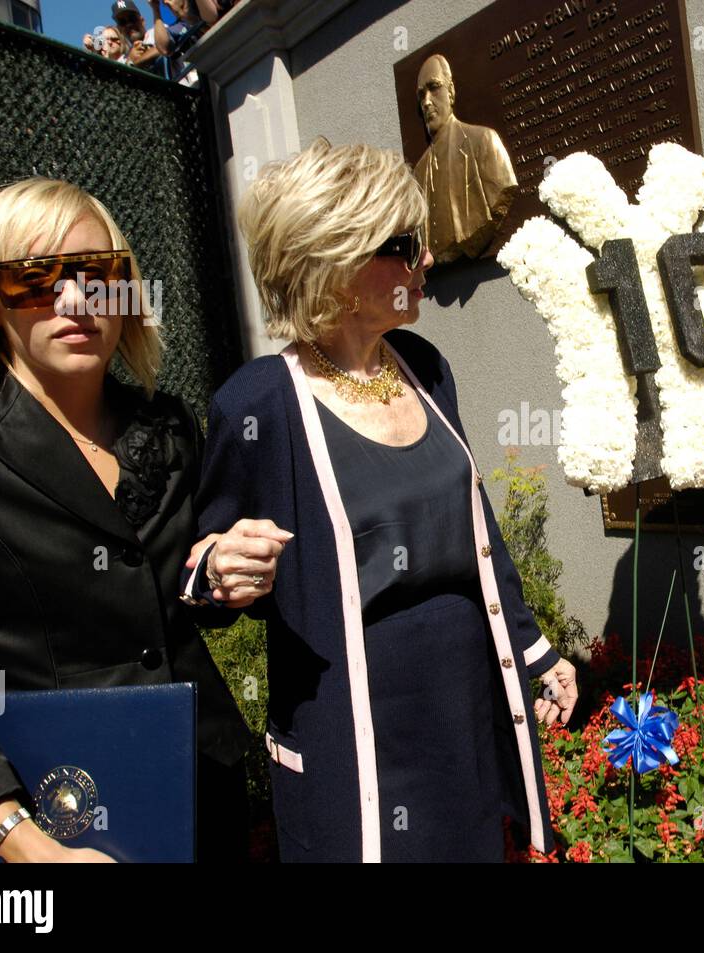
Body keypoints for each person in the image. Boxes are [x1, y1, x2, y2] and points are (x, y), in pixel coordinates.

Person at [186, 137, 578, 862]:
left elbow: (475, 526)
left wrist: (533, 648)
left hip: (462, 717)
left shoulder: (425, 366)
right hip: (359, 740)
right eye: (405, 245)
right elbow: (204, 566)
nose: (426, 259)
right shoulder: (260, 403)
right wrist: (218, 571)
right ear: (334, 264)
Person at [0, 178, 257, 862]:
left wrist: (222, 571)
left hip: (200, 793)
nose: (74, 299)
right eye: (34, 279)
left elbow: (190, 600)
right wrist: (29, 845)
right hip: (47, 820)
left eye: (98, 275)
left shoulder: (168, 424)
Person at [413, 54, 520, 263]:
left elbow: (502, 191)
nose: (426, 102)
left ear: (451, 91)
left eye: (434, 87)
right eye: (421, 95)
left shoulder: (483, 141)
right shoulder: (418, 172)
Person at [112, 0, 162, 75]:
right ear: (120, 30)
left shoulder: (157, 32)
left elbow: (165, 46)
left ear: (142, 21)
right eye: (122, 22)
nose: (129, 25)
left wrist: (134, 63)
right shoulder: (123, 60)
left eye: (132, 18)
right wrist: (129, 60)